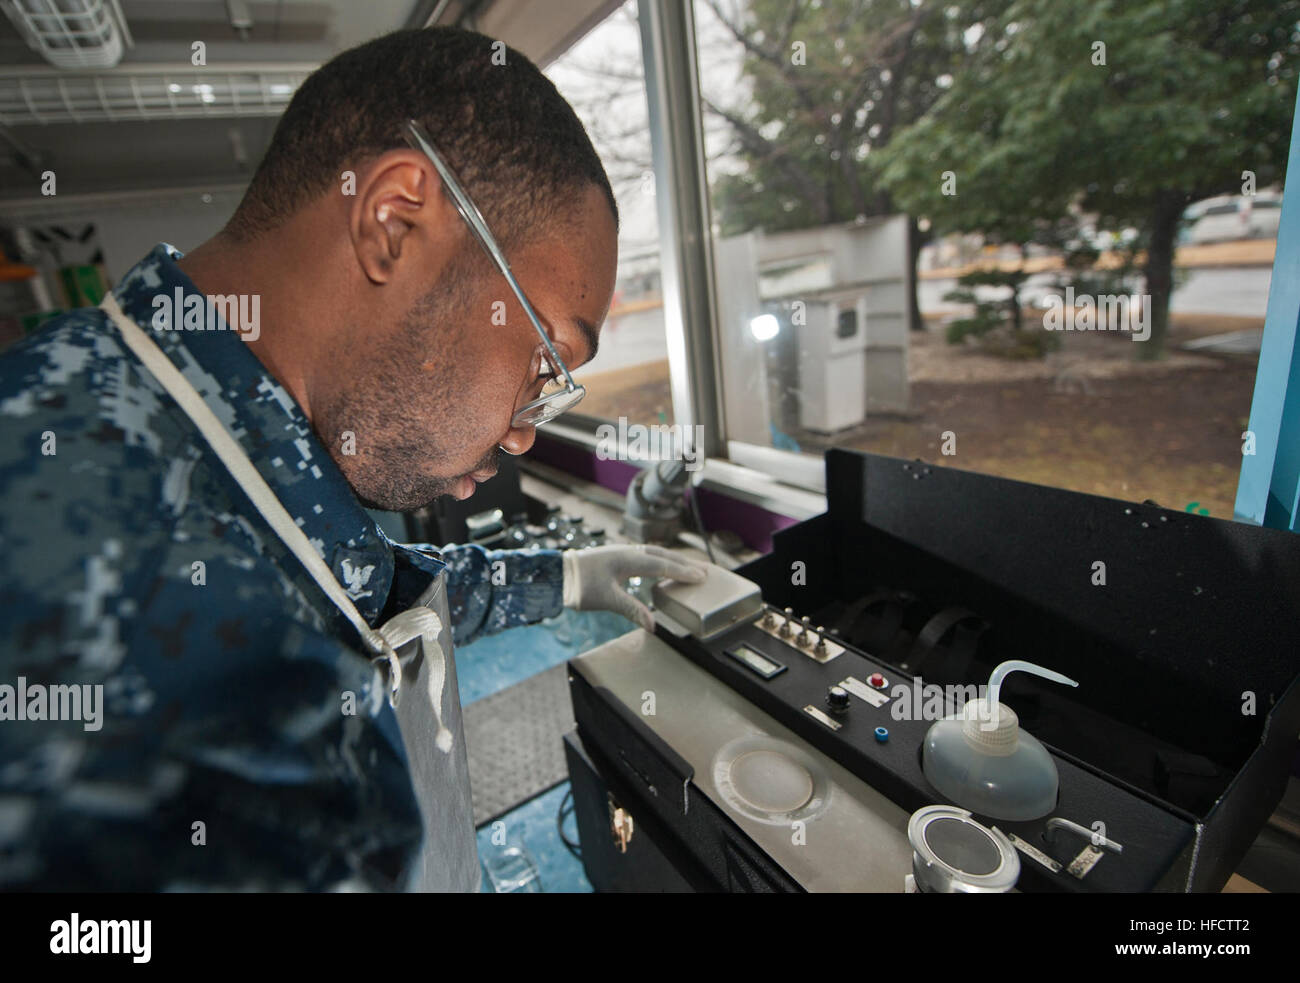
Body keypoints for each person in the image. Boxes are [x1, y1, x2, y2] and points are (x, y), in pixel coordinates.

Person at [0, 26, 704, 890]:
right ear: (395, 222)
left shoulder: (179, 422)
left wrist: (571, 575)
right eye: (547, 358)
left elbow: (363, 583)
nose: (526, 430)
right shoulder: (158, 620)